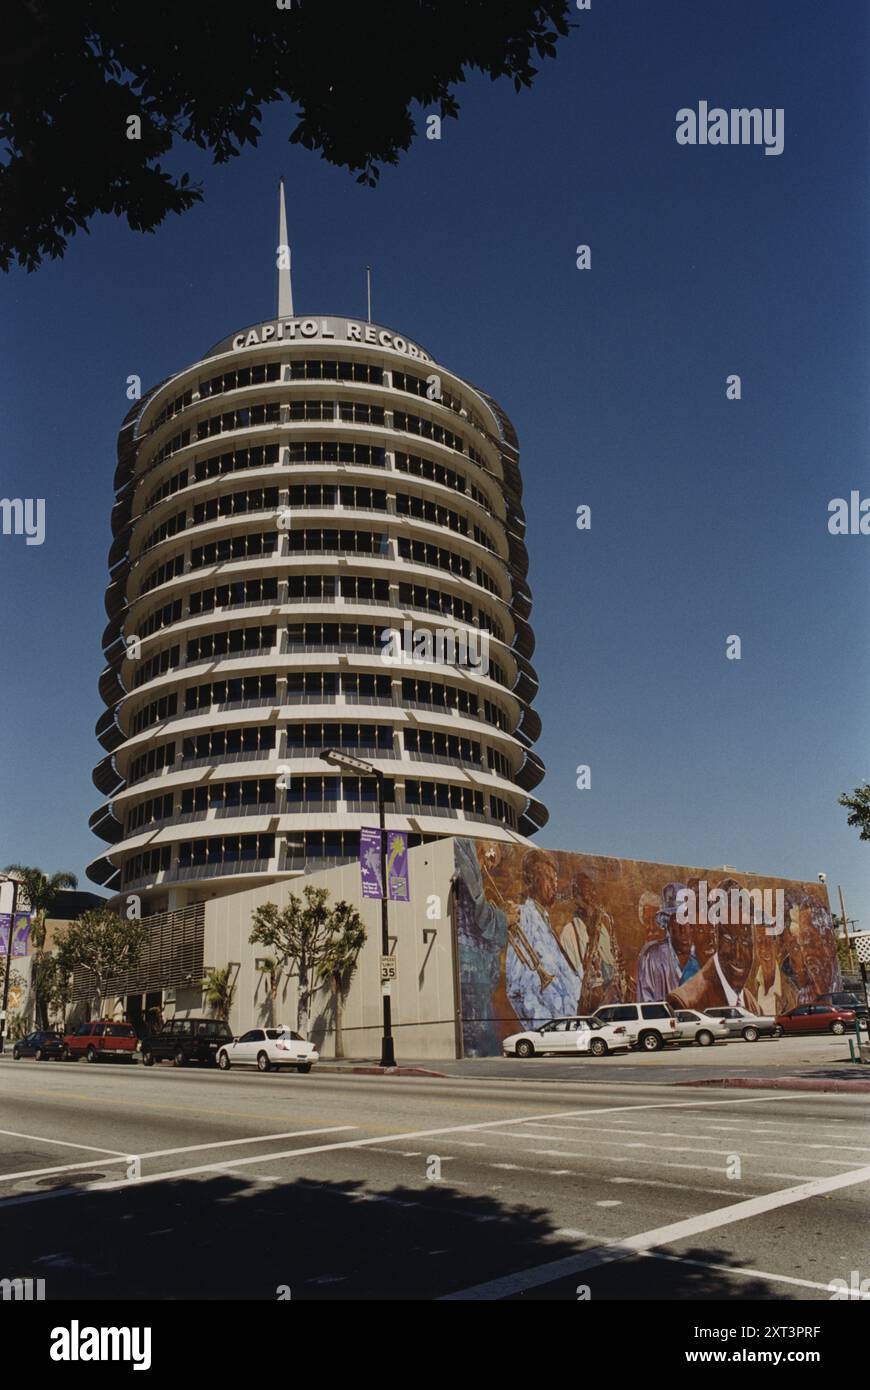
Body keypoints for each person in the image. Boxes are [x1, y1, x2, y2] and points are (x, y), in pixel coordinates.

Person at [505, 849, 583, 1029]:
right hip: (551, 1031)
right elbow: (517, 989)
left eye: (555, 880)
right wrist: (547, 1027)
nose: (554, 886)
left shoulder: (545, 921)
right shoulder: (523, 917)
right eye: (549, 879)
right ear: (532, 879)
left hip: (567, 1029)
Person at [636, 883, 699, 1001]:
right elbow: (646, 1006)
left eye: (688, 919)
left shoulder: (703, 956)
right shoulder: (651, 957)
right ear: (668, 924)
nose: (684, 929)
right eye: (678, 920)